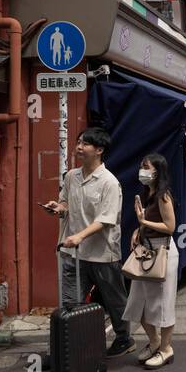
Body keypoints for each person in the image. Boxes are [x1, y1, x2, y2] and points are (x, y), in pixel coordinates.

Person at [43, 128, 135, 358]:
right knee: (70, 301)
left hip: (102, 253)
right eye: (78, 142)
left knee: (114, 300)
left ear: (100, 150)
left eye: (85, 144)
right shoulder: (71, 176)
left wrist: (80, 236)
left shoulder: (109, 182)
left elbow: (106, 219)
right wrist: (58, 208)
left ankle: (124, 338)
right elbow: (66, 204)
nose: (79, 147)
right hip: (73, 253)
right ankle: (71, 345)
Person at [124, 153, 180, 369]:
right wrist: (139, 230)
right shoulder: (148, 192)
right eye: (141, 166)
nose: (142, 170)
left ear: (158, 171)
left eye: (146, 167)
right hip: (146, 250)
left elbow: (170, 227)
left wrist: (143, 221)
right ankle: (155, 341)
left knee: (163, 303)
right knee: (137, 302)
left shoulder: (163, 196)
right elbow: (149, 223)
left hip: (163, 251)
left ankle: (166, 349)